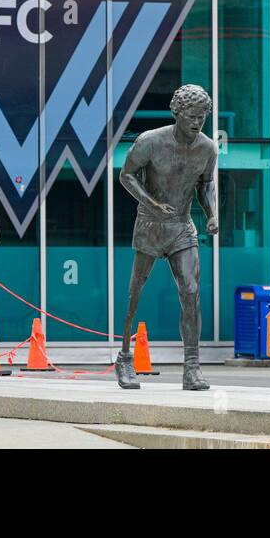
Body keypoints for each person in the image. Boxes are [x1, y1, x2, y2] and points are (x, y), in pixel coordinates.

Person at [115, 84, 218, 391]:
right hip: (150, 224)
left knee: (191, 290)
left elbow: (206, 185)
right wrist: (151, 202)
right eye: (190, 116)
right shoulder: (150, 141)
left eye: (201, 116)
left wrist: (212, 214)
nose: (197, 122)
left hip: (182, 226)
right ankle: (124, 357)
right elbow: (126, 175)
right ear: (177, 113)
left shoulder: (208, 148)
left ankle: (192, 367)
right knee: (136, 293)